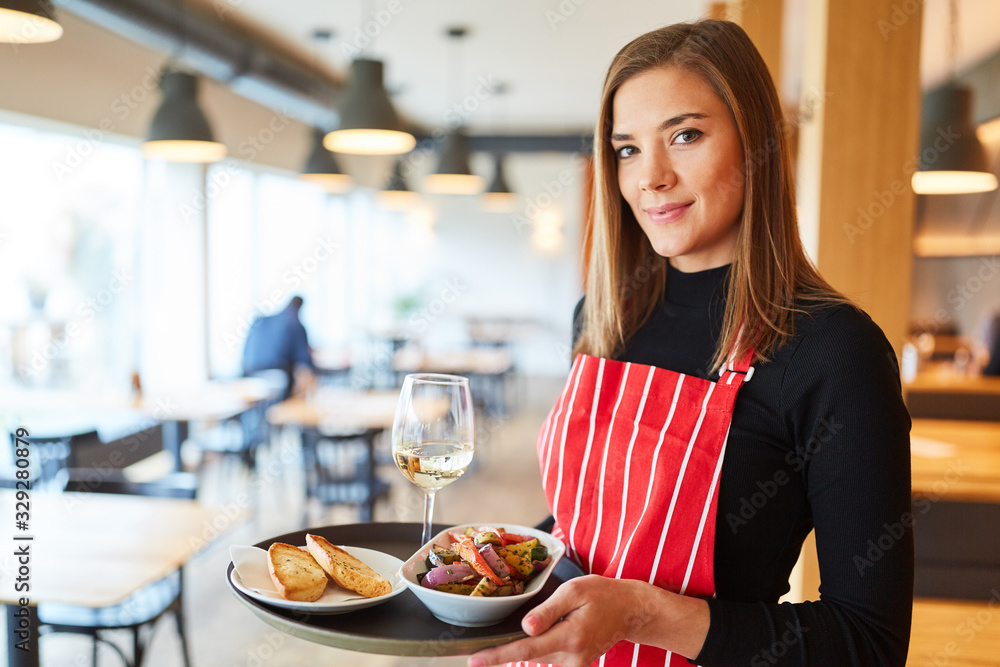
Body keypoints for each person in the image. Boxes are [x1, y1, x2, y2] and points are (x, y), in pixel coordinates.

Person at [469, 20, 912, 667]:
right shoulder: (601, 317)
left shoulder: (832, 350)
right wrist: (488, 562)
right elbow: (590, 525)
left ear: (756, 143)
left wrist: (645, 614)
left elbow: (867, 642)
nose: (651, 177)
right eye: (626, 149)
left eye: (685, 135)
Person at [242, 296, 316, 399]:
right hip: (276, 378)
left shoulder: (260, 321)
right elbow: (304, 363)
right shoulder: (294, 323)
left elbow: (245, 353)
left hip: (248, 375)